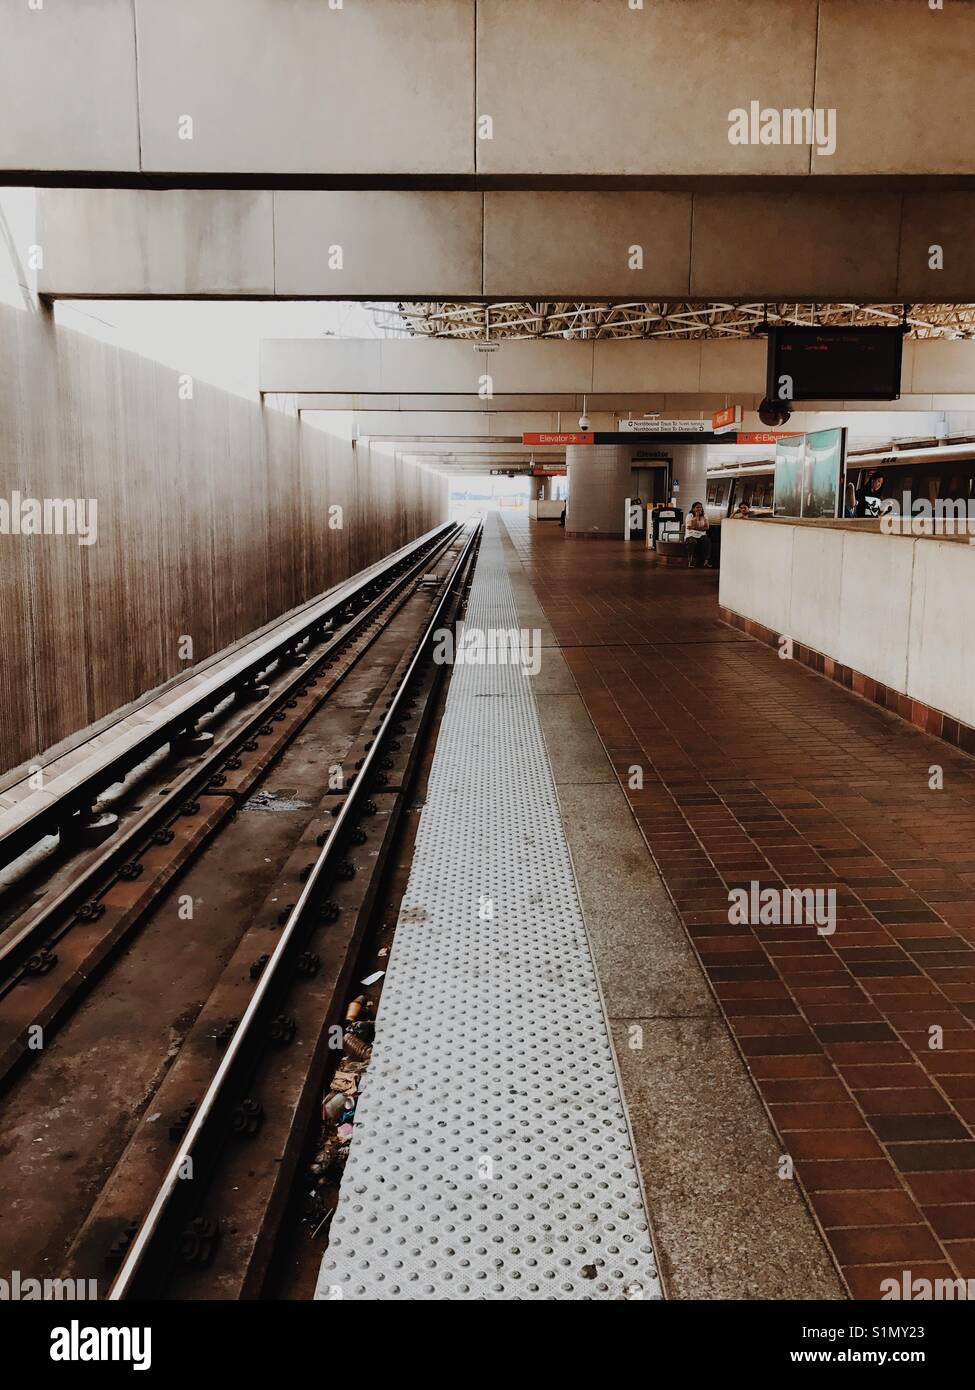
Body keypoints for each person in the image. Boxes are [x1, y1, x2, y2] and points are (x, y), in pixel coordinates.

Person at [684, 501, 711, 567]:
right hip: (690, 535)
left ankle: (706, 561)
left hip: (702, 535)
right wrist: (697, 516)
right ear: (693, 508)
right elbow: (689, 527)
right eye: (697, 507)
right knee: (691, 541)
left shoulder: (705, 516)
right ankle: (690, 561)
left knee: (707, 541)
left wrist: (695, 528)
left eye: (700, 507)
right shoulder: (689, 515)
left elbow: (707, 527)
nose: (699, 509)